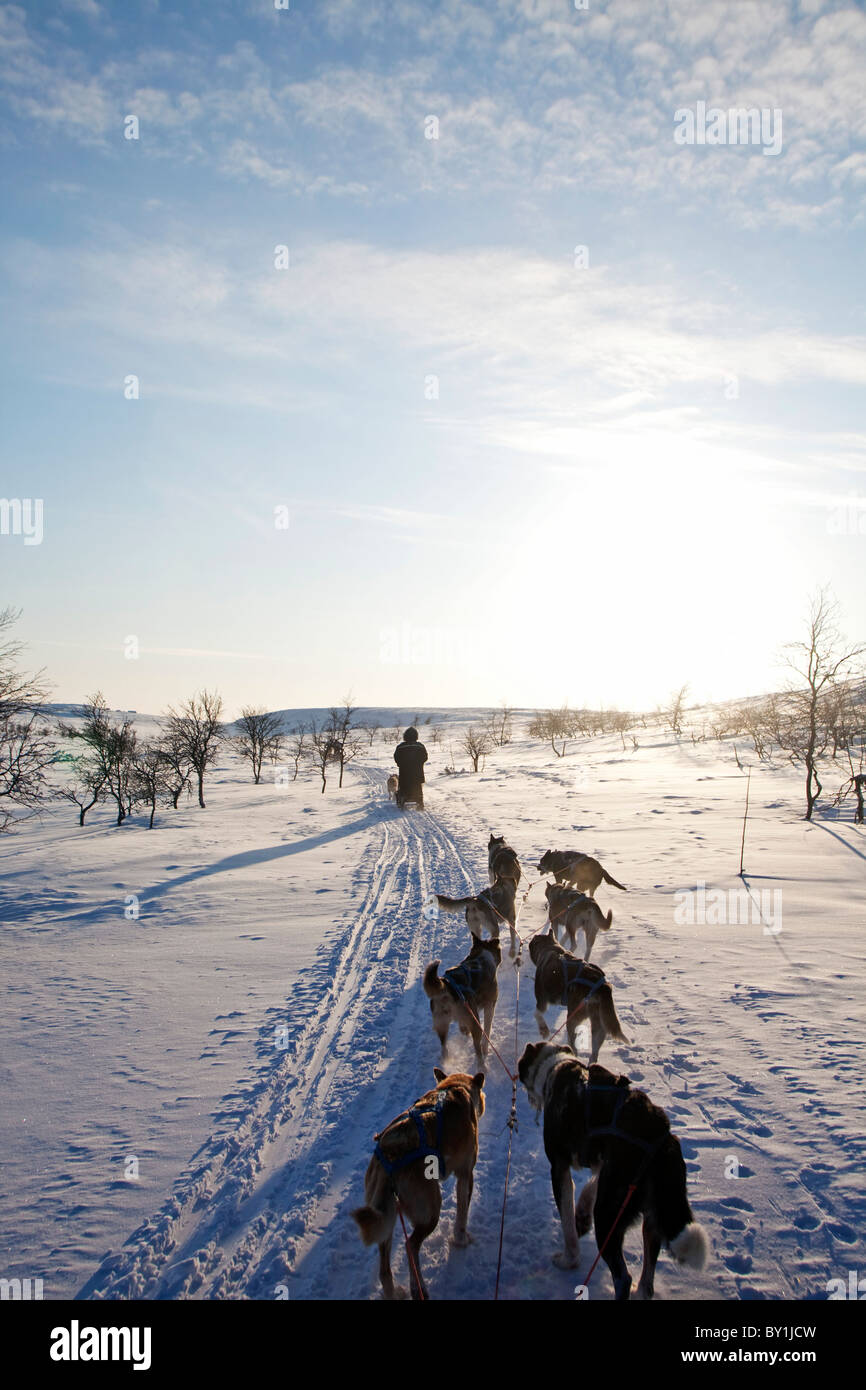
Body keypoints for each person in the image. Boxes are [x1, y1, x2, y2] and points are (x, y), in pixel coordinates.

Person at [394, 726, 428, 809]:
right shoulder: (420, 746)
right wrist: (419, 763)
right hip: (418, 772)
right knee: (417, 786)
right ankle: (419, 800)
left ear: (405, 736)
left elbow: (396, 757)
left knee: (403, 786)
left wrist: (401, 764)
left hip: (404, 772)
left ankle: (403, 798)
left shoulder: (400, 747)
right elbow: (425, 757)